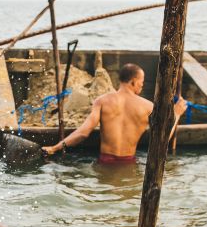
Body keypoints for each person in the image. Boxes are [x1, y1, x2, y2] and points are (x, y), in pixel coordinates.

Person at [42, 63, 188, 164]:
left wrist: (55, 148)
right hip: (128, 163)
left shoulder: (102, 101)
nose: (142, 86)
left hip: (104, 162)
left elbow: (83, 133)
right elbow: (162, 141)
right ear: (134, 81)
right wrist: (176, 114)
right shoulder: (148, 106)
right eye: (141, 83)